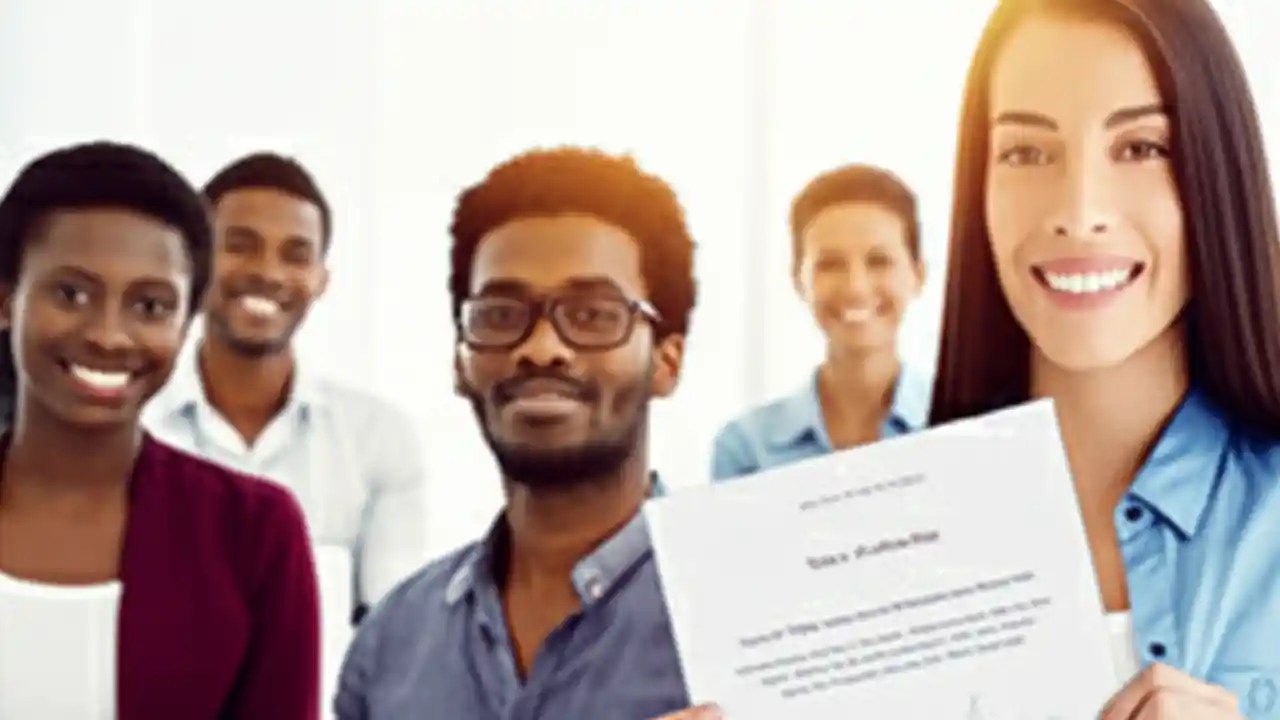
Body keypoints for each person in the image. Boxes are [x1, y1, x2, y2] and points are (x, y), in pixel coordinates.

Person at [658, 0, 1280, 717]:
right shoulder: (863, 537)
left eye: (1141, 147)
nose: (1078, 212)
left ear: (1218, 168)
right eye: (1027, 152)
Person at [333, 147, 696, 719]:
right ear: (460, 360)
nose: (541, 348)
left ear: (667, 361)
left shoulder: (751, 621)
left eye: (594, 315)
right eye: (501, 315)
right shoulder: (393, 641)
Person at [0, 142, 319, 718]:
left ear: (186, 322)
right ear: (6, 300)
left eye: (150, 306)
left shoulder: (253, 533)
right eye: (71, 293)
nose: (108, 334)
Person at [144, 153, 428, 622]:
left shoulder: (377, 436)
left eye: (295, 255)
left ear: (321, 280)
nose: (269, 273)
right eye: (240, 245)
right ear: (191, 260)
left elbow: (392, 634)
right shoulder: (131, 422)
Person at [709, 164, 930, 481]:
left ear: (918, 275)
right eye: (830, 265)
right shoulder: (745, 449)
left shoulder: (963, 427)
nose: (856, 287)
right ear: (799, 280)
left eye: (879, 261)